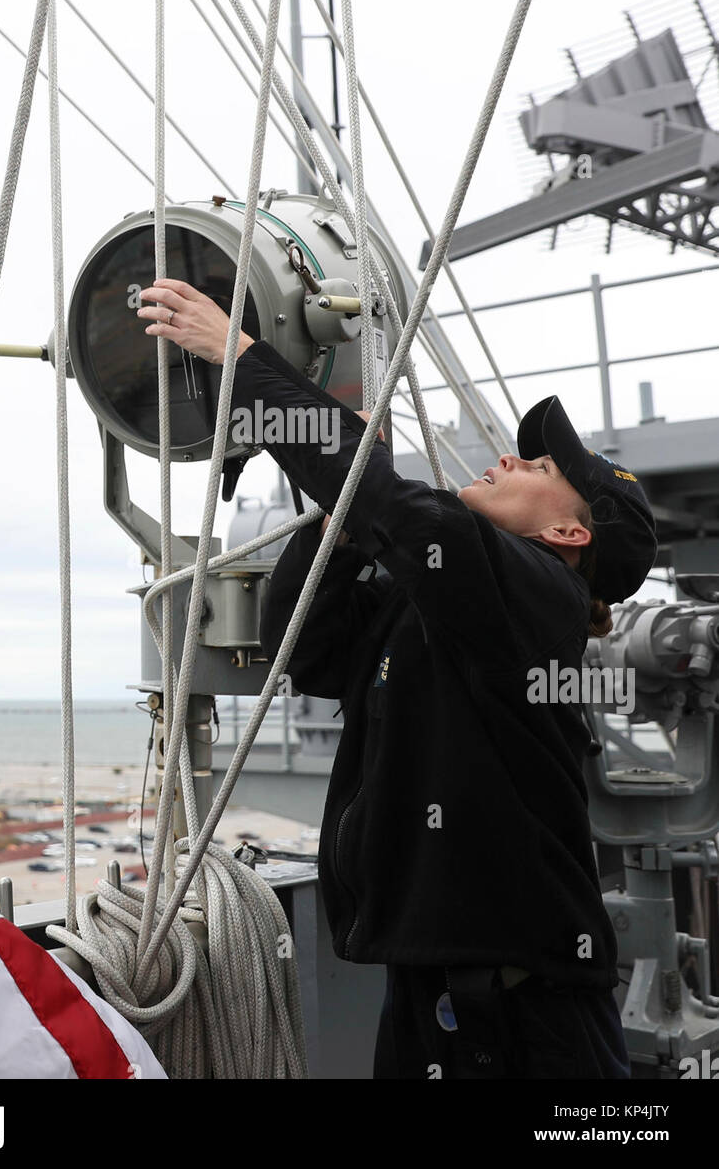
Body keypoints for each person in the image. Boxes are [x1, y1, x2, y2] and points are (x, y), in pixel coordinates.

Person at [136, 278, 658, 1080]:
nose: (510, 455)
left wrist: (242, 360)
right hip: (428, 983)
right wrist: (345, 520)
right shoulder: (452, 602)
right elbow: (310, 651)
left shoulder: (539, 594)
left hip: (526, 1009)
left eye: (542, 463)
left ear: (565, 530)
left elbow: (416, 516)